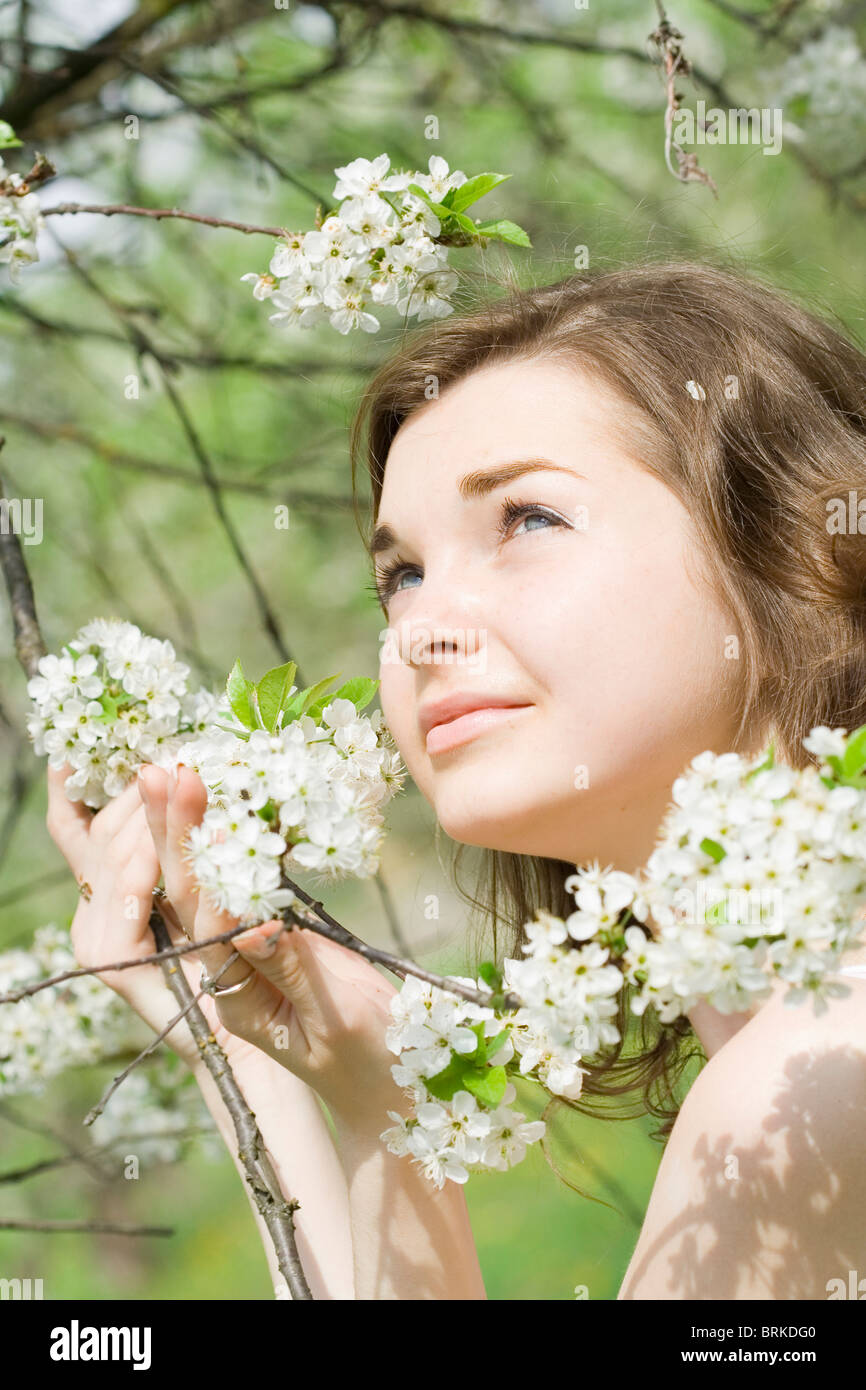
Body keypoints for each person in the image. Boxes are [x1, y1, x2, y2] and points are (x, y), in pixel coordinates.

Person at [46, 258, 866, 1300]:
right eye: (401, 574)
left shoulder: (808, 1089)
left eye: (526, 519)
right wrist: (263, 1055)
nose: (421, 630)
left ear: (799, 546)